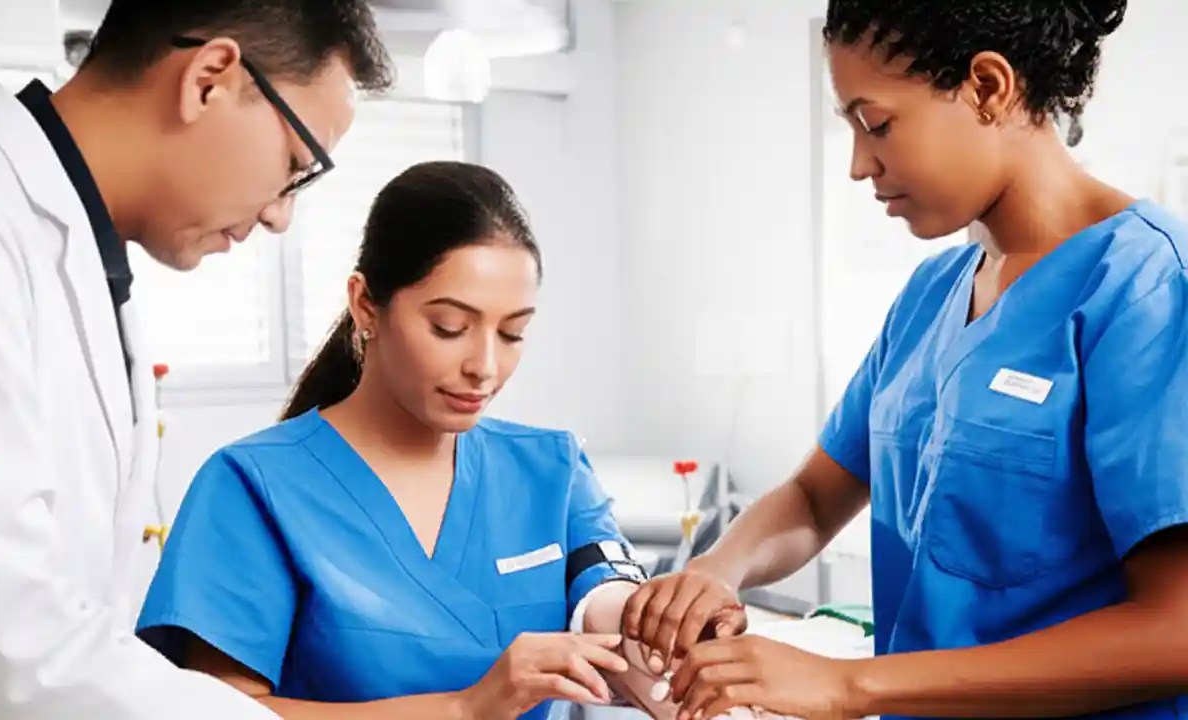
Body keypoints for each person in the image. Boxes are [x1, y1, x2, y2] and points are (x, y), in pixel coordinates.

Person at [623, 2, 1188, 720]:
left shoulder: (1145, 287)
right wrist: (716, 571)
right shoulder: (933, 295)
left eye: (877, 124)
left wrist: (848, 684)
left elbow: (1178, 631)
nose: (860, 164)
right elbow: (816, 494)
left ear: (988, 87)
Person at [0, 1, 392, 718]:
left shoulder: (80, 258)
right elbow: (6, 650)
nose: (280, 215)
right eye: (296, 164)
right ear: (210, 79)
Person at [134, 161, 678, 720]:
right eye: (448, 327)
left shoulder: (550, 467)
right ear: (366, 304)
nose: (485, 367)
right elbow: (216, 714)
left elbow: (607, 596)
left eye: (513, 333)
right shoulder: (252, 488)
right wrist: (465, 709)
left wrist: (665, 640)